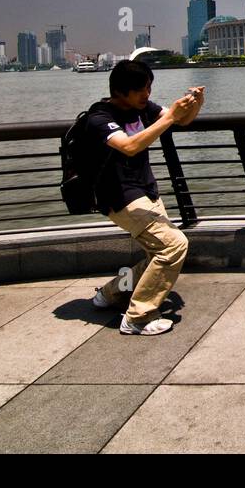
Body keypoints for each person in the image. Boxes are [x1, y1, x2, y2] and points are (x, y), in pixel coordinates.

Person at [86, 59, 204, 335]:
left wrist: (194, 104)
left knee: (158, 253)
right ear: (121, 91)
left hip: (146, 192)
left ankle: (109, 294)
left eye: (149, 88)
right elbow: (128, 146)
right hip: (121, 198)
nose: (147, 94)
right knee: (174, 245)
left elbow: (181, 120)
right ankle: (138, 316)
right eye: (140, 89)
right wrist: (171, 117)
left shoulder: (143, 109)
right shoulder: (100, 118)